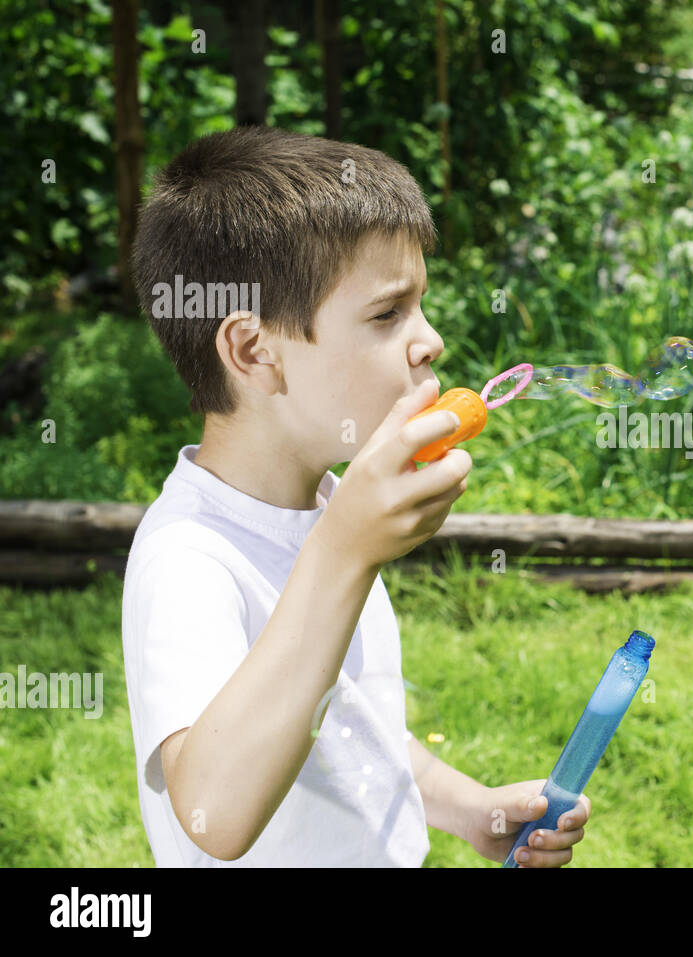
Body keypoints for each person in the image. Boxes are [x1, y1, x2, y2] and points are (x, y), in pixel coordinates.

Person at [120, 125, 588, 867]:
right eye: (387, 313)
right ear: (252, 351)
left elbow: (348, 725)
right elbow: (213, 812)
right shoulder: (190, 558)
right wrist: (343, 552)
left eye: (420, 306)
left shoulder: (325, 507)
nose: (430, 341)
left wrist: (472, 806)